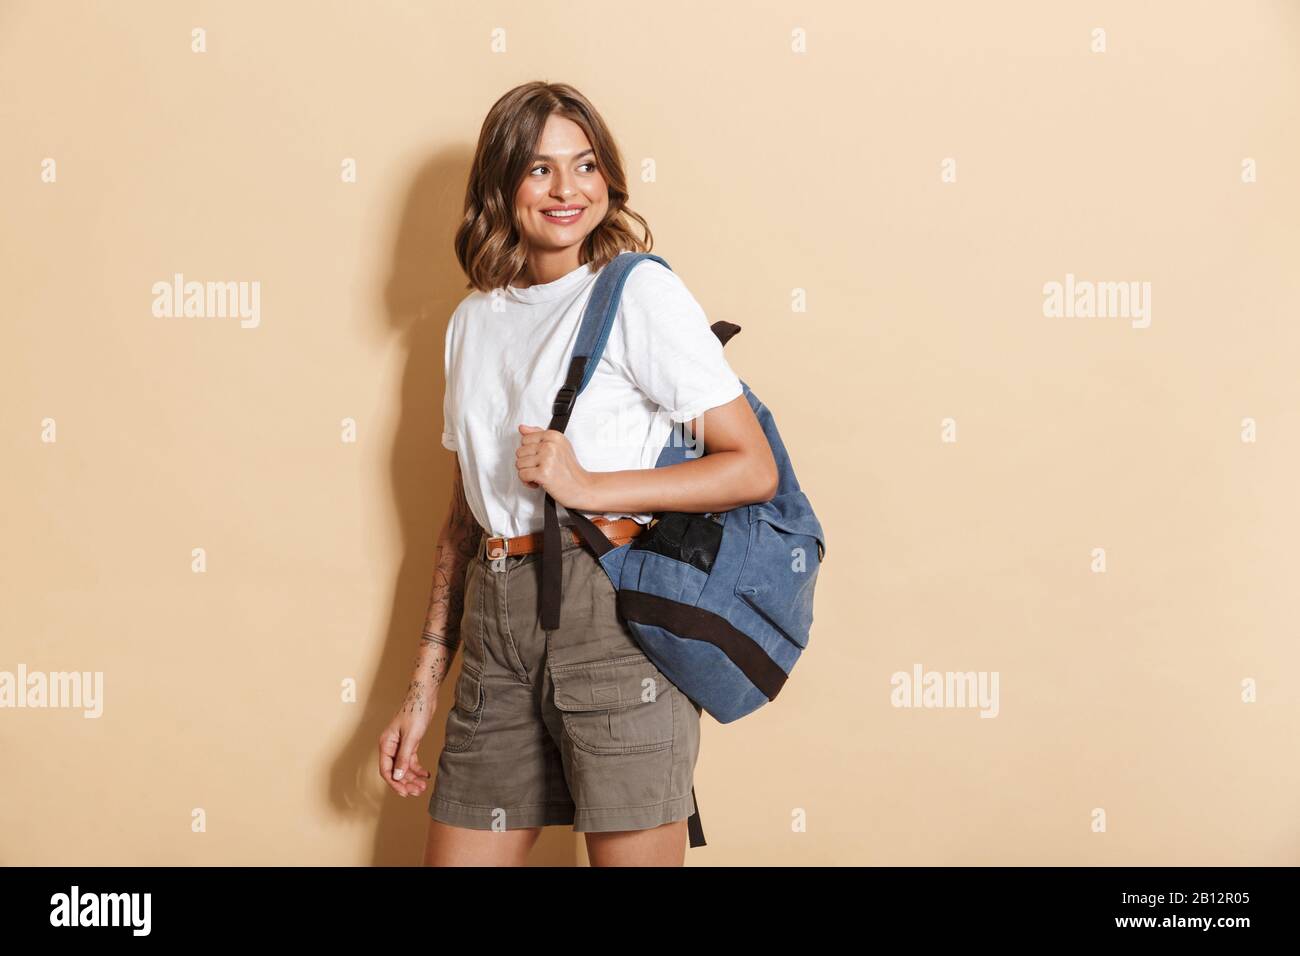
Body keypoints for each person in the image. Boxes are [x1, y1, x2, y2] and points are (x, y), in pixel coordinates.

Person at [377, 81, 778, 866]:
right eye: (539, 170)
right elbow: (467, 517)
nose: (568, 190)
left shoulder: (638, 294)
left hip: (609, 619)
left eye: (586, 165)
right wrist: (425, 686)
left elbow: (751, 466)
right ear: (501, 186)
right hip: (497, 624)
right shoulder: (472, 321)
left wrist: (591, 487)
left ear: (608, 178)